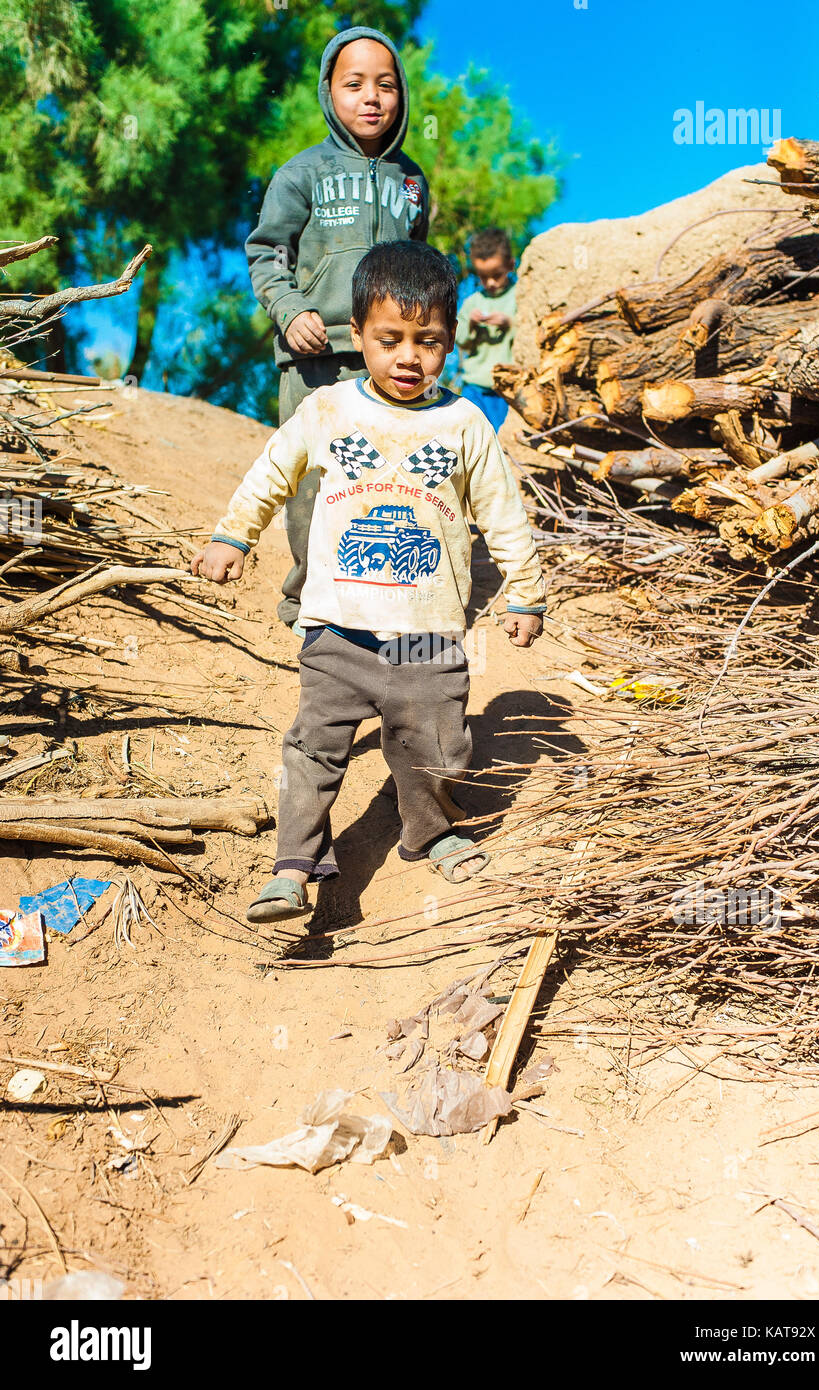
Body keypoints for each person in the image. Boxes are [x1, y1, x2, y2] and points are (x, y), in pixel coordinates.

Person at [192, 241, 545, 927]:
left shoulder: (463, 423)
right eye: (390, 340)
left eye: (429, 341)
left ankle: (431, 829)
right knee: (312, 748)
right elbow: (270, 472)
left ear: (451, 340)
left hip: (428, 635)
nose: (408, 357)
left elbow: (503, 513)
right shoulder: (328, 410)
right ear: (358, 336)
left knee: (438, 747)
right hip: (337, 629)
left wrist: (526, 592)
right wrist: (231, 535)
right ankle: (293, 864)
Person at [245, 25, 430, 633]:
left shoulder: (412, 183)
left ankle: (381, 595)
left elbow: (420, 272)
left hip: (389, 361)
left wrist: (422, 339)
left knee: (388, 479)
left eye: (385, 85)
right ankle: (309, 599)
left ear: (402, 95)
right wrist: (290, 309)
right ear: (329, 91)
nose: (370, 97)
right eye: (354, 84)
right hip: (316, 357)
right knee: (312, 481)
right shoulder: (302, 173)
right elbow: (266, 251)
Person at [454, 227, 517, 433]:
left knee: (502, 441)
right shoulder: (473, 302)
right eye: (483, 276)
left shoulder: (520, 296)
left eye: (496, 275)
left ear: (510, 265)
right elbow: (460, 340)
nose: (490, 282)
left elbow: (532, 333)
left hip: (508, 389)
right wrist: (470, 324)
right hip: (475, 386)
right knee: (472, 435)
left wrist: (510, 323)